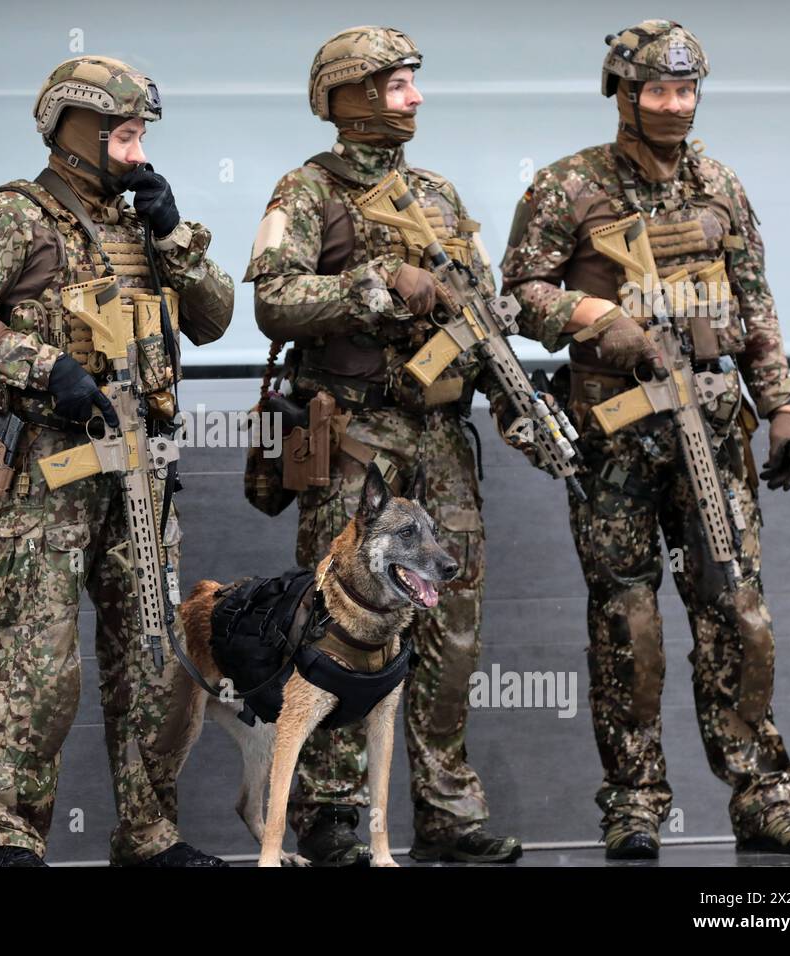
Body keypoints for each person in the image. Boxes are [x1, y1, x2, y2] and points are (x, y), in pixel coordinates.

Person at [501, 19, 790, 858]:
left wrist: (783, 403)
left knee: (740, 617)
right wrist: (600, 320)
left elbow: (756, 302)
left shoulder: (719, 182)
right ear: (622, 93)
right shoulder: (565, 187)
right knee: (629, 625)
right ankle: (635, 803)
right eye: (658, 90)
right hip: (615, 441)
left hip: (715, 436)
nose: (675, 106)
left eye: (686, 91)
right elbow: (517, 296)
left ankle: (762, 795)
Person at [0, 55, 234, 867]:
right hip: (52, 479)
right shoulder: (8, 219)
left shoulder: (145, 223)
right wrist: (44, 367)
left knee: (154, 659)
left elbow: (212, 320)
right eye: (126, 134)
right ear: (77, 132)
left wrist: (173, 233)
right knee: (42, 664)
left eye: (141, 135)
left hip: (144, 476)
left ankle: (149, 833)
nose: (138, 151)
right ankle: (13, 838)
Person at [242, 25, 523, 865]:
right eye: (399, 83)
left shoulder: (434, 193)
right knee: (340, 626)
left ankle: (445, 807)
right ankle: (328, 813)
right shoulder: (307, 190)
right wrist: (376, 282)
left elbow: (479, 299)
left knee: (453, 624)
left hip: (440, 439)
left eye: (412, 82)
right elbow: (273, 302)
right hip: (356, 441)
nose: (415, 97)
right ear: (353, 93)